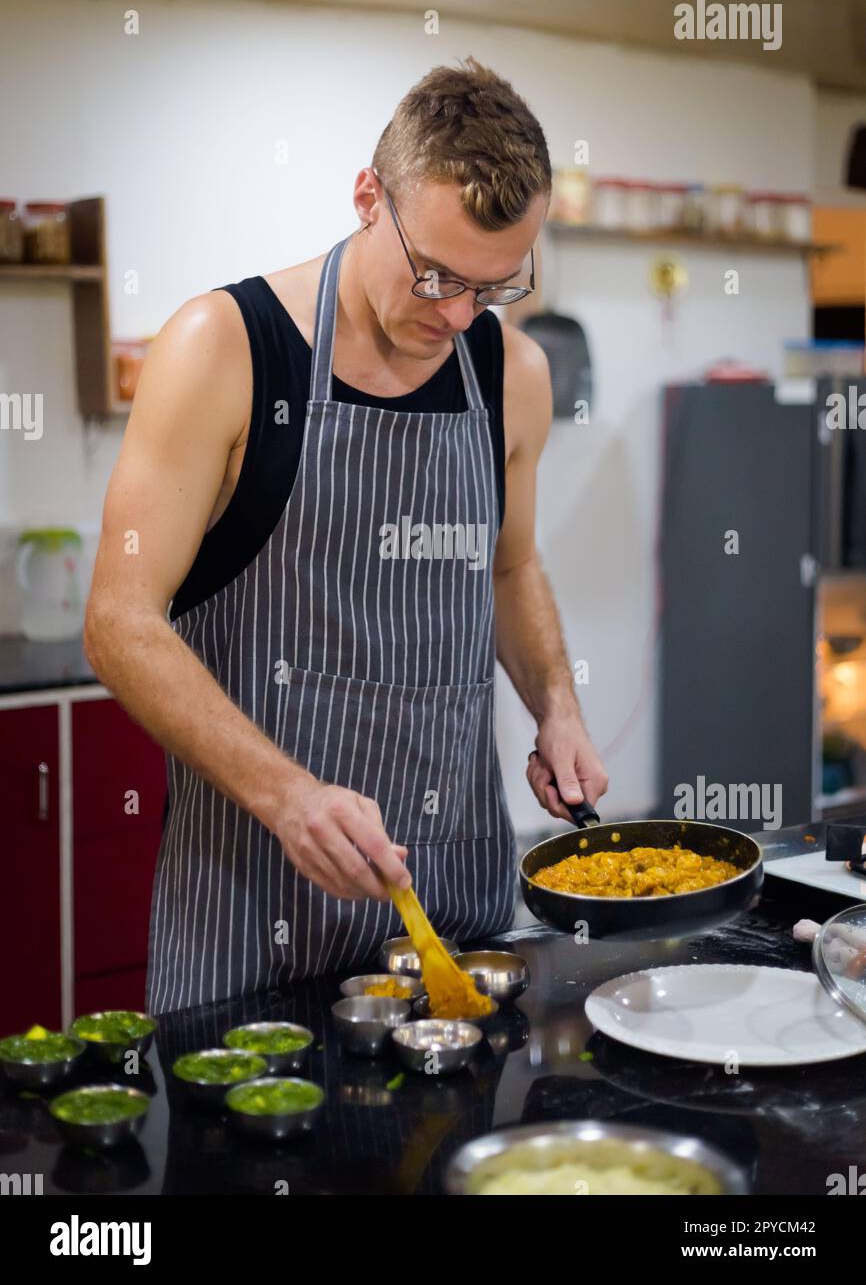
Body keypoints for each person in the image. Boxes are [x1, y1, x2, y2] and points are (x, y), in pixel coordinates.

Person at [84, 57, 608, 1015]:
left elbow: (510, 566)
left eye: (491, 288)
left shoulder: (510, 373)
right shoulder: (226, 347)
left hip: (458, 908)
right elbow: (121, 621)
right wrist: (290, 797)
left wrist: (557, 707)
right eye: (435, 275)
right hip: (251, 912)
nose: (456, 315)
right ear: (369, 197)